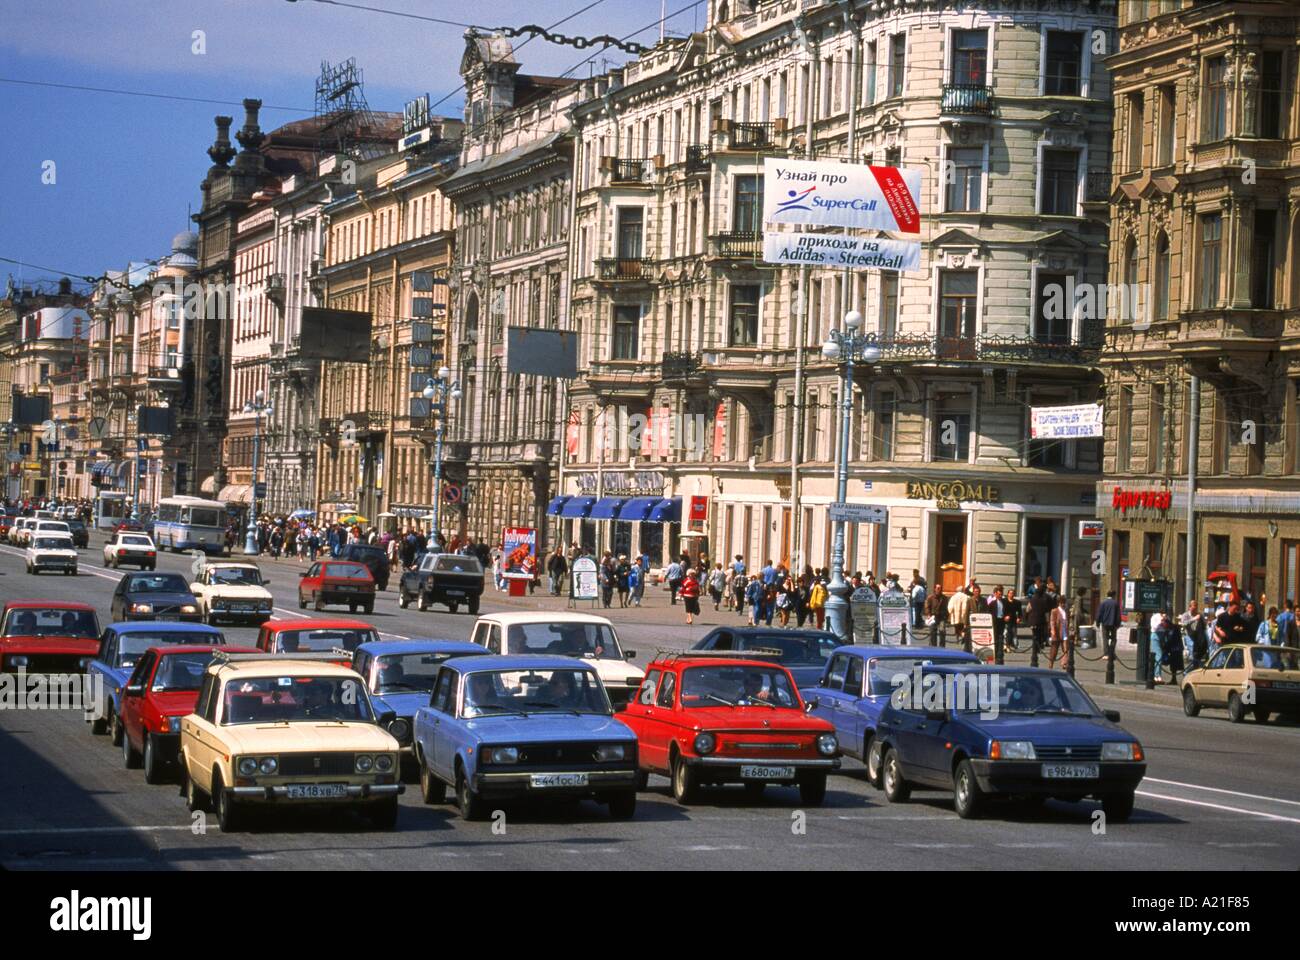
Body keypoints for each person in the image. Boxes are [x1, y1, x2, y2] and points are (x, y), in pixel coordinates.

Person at [1096, 589, 1121, 665]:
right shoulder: (1116, 603)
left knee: (1105, 638)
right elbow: (1118, 615)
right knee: (1113, 639)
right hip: (1113, 623)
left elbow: (1099, 613)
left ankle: (1106, 654)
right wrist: (1118, 624)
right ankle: (1111, 652)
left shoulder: (1103, 603)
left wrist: (1097, 622)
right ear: (1113, 595)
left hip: (1105, 623)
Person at [1048, 596, 1071, 670]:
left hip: (1065, 632)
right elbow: (1052, 622)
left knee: (1065, 649)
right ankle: (1051, 663)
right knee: (1054, 649)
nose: (1063, 604)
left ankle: (1064, 663)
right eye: (1062, 603)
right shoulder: (1054, 611)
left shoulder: (1067, 611)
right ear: (1059, 603)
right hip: (1057, 632)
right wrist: (1053, 631)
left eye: (1064, 603)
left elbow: (1068, 621)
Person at [947, 586, 971, 651]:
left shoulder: (953, 597)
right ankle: (963, 636)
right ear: (963, 590)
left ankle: (959, 638)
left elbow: (950, 607)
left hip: (955, 616)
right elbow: (967, 606)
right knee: (962, 627)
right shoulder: (966, 597)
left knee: (957, 628)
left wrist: (950, 612)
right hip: (963, 616)